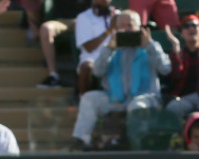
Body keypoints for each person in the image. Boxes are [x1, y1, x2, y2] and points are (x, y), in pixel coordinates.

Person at [71, 10, 171, 149]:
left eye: (130, 25)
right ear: (117, 29)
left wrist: (149, 46)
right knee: (89, 98)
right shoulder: (110, 48)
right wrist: (109, 49)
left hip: (145, 97)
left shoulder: (151, 46)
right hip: (116, 98)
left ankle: (138, 144)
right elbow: (97, 72)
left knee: (136, 106)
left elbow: (166, 69)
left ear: (139, 27)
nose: (126, 29)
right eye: (122, 26)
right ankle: (81, 141)